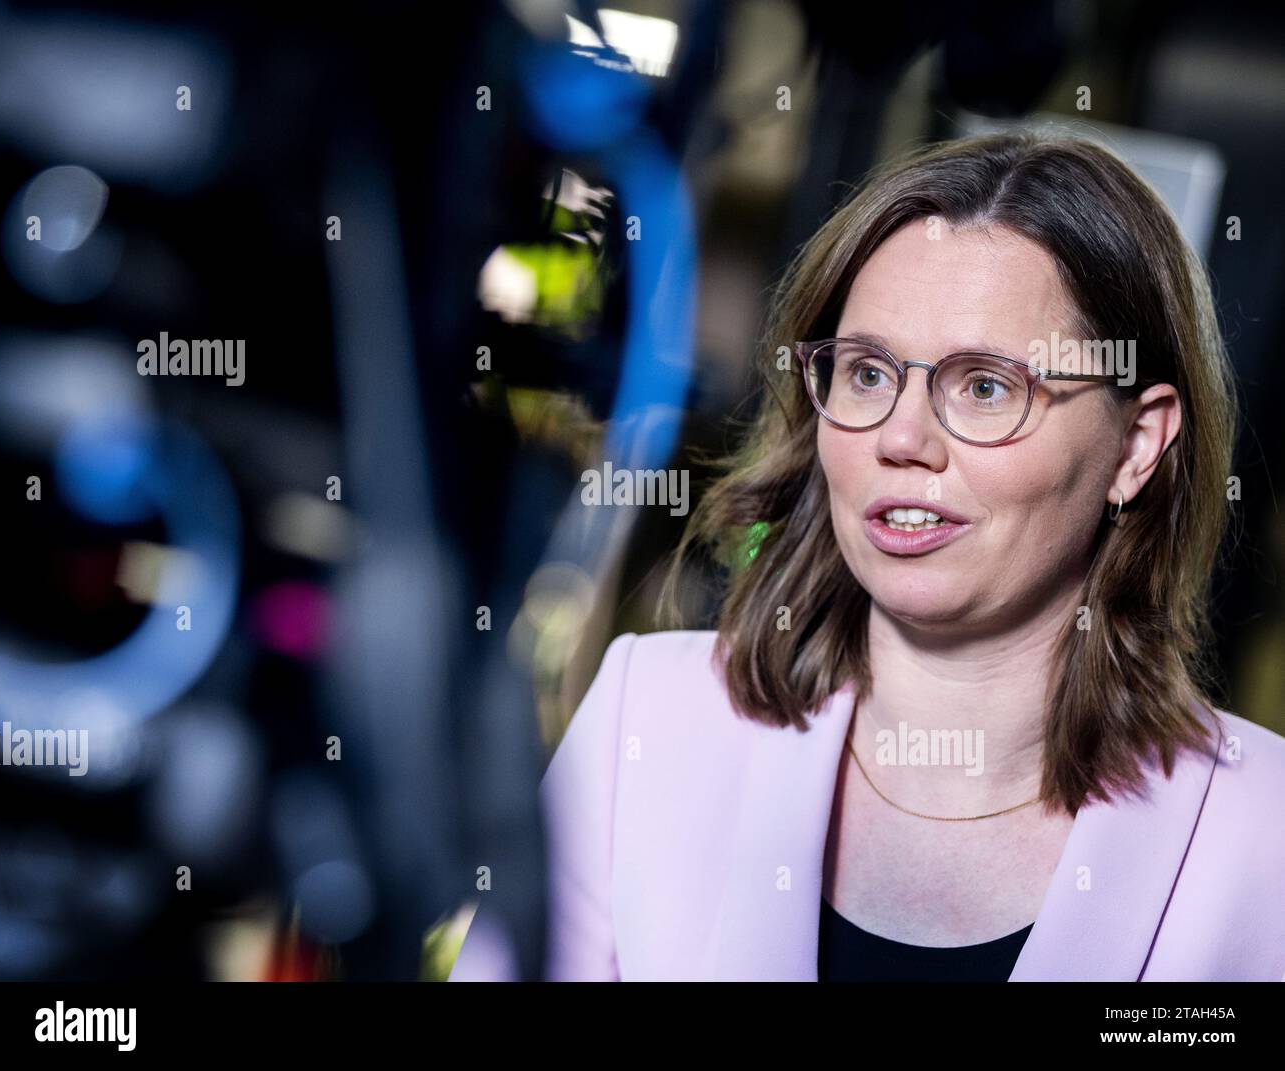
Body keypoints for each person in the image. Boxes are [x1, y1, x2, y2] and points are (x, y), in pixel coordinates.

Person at [448, 132, 1285, 981]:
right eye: (869, 374)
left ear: (1137, 445)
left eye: (986, 386)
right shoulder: (648, 722)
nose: (902, 438)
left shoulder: (1262, 832)